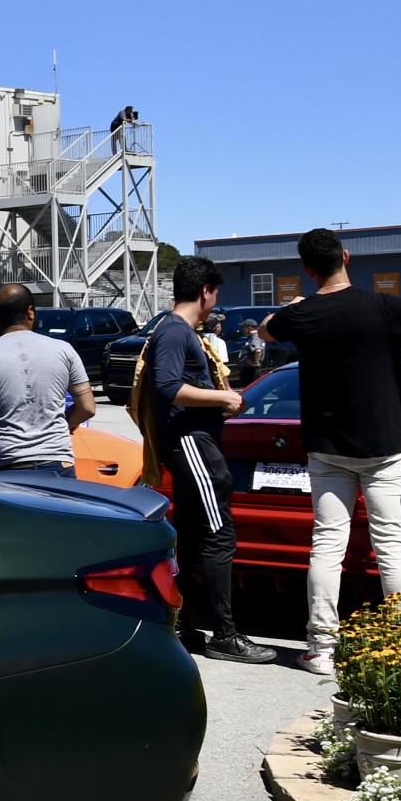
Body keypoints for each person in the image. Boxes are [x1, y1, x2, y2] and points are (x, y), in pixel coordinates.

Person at [259, 229, 401, 675]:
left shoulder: (304, 314)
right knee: (392, 543)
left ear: (307, 269)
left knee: (327, 545)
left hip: (328, 446)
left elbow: (265, 330)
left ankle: (321, 647)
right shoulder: (385, 306)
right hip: (384, 445)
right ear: (347, 258)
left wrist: (295, 306)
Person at [140, 258, 274, 663]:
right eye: (216, 294)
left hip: (192, 442)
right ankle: (225, 636)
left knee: (194, 537)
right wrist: (223, 397)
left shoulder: (174, 329)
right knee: (219, 535)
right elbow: (167, 386)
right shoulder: (175, 331)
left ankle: (182, 624)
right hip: (191, 444)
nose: (216, 303)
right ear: (205, 292)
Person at [0, 282, 95, 477]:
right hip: (57, 462)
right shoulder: (64, 350)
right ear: (30, 312)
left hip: (7, 464)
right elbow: (88, 407)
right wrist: (57, 423)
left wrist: (0, 423)